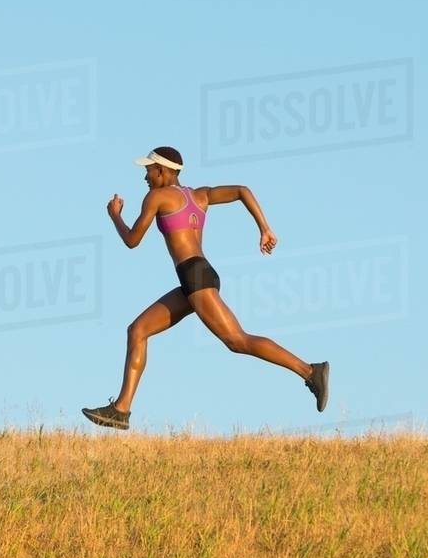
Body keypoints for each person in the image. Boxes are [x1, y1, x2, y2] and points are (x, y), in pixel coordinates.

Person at [81, 146, 329, 430]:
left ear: (163, 170)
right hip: (197, 276)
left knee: (238, 340)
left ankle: (310, 371)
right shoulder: (200, 195)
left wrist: (115, 215)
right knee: (138, 331)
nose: (145, 177)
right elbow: (242, 190)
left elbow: (132, 240)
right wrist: (265, 228)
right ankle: (121, 410)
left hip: (195, 278)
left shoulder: (157, 197)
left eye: (148, 170)